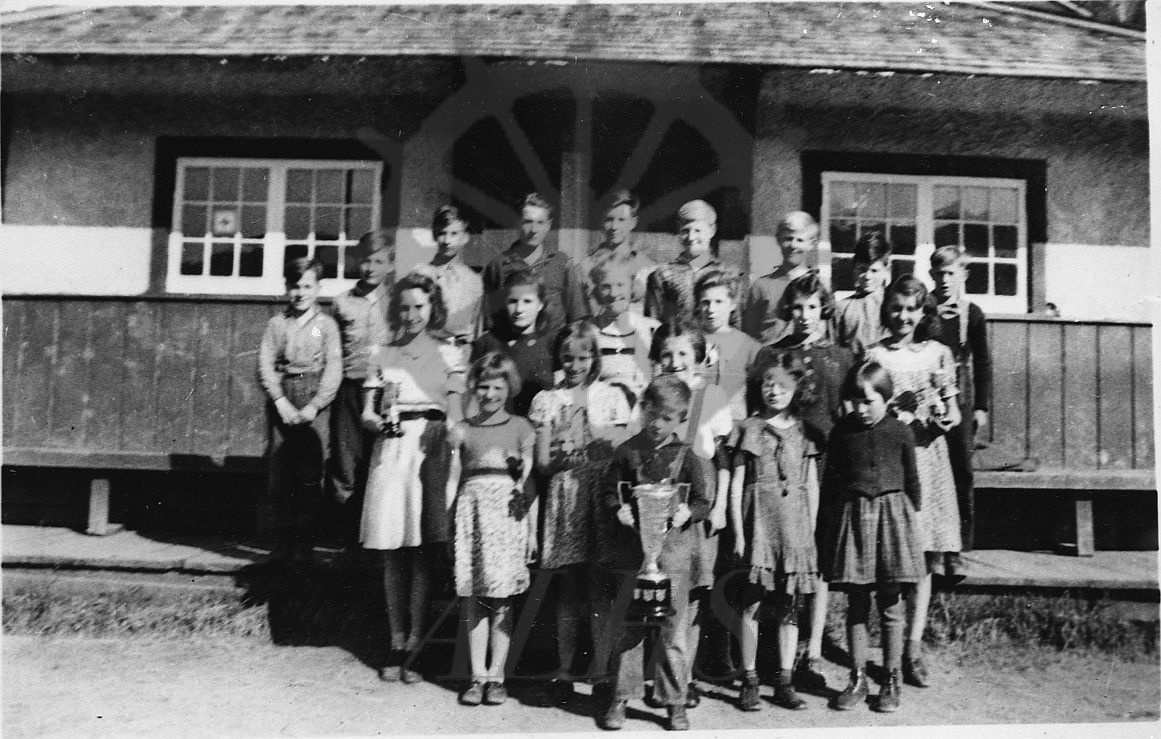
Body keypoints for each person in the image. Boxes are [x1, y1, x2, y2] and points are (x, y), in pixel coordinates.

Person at [360, 272, 465, 683]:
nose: (412, 314)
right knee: (392, 550)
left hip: (432, 449)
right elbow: (368, 412)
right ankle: (395, 638)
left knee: (421, 551)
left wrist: (453, 433)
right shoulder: (381, 353)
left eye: (419, 306)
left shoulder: (449, 353)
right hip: (394, 448)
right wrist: (377, 424)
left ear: (432, 307)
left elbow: (455, 409)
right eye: (404, 307)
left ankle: (417, 643)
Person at [596, 376, 713, 732]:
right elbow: (608, 492)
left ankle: (674, 701)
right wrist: (619, 509)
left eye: (667, 418)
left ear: (679, 420)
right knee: (629, 627)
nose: (657, 424)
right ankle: (621, 698)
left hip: (674, 555)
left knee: (672, 630)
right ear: (642, 408)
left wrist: (687, 513)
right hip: (635, 554)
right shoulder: (626, 451)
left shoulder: (686, 456)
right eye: (652, 414)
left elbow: (703, 502)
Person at [757, 271, 855, 693]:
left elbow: (847, 416)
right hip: (781, 467)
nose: (804, 316)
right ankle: (771, 652)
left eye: (812, 307)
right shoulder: (772, 354)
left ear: (825, 310)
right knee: (778, 556)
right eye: (796, 307)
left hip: (826, 468)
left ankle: (811, 651)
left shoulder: (841, 356)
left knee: (816, 560)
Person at [528, 321, 634, 704]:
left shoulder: (612, 397)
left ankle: (603, 668)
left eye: (583, 357)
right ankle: (564, 666)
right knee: (569, 588)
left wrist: (596, 443)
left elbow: (624, 455)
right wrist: (562, 453)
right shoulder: (547, 400)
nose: (574, 365)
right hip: (566, 496)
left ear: (595, 358)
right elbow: (541, 464)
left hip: (601, 498)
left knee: (600, 585)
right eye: (567, 357)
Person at [865, 275, 962, 689]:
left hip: (927, 459)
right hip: (889, 463)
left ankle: (912, 648)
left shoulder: (939, 354)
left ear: (923, 313)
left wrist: (941, 415)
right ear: (886, 311)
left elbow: (953, 412)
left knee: (922, 558)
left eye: (911, 309)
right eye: (896, 309)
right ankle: (885, 647)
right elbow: (865, 409)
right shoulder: (873, 354)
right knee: (890, 556)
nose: (903, 317)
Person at [820, 361, 925, 714]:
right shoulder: (841, 433)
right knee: (857, 601)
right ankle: (858, 677)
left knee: (891, 602)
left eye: (869, 401)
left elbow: (913, 484)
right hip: (852, 519)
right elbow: (830, 485)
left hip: (892, 521)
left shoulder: (900, 432)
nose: (861, 409)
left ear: (887, 397)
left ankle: (892, 677)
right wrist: (829, 529)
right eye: (855, 401)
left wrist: (907, 526)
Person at [728, 352, 821, 712]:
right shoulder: (747, 428)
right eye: (768, 383)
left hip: (794, 531)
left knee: (788, 608)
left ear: (796, 388)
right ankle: (749, 680)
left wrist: (808, 534)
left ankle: (784, 680)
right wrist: (739, 532)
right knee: (751, 604)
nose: (774, 390)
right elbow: (737, 485)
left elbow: (810, 486)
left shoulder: (804, 433)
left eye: (782, 384)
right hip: (759, 529)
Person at [650, 320, 733, 708]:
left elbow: (724, 458)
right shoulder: (652, 397)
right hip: (661, 506)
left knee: (694, 592)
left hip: (700, 505)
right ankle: (659, 674)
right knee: (660, 591)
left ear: (699, 359)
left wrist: (719, 508)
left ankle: (684, 677)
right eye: (667, 353)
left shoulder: (712, 397)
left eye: (683, 353)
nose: (674, 360)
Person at [450, 351, 536, 707]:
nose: (489, 394)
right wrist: (449, 517)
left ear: (509, 387)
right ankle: (477, 676)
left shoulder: (521, 428)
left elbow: (527, 485)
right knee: (474, 597)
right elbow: (453, 479)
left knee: (501, 598)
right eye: (483, 386)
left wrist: (531, 531)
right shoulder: (463, 429)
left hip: (507, 517)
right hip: (471, 515)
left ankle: (497, 676)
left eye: (497, 386)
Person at [258, 257, 343, 562]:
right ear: (286, 288)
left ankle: (306, 545)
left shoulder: (327, 325)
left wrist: (315, 406)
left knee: (311, 474)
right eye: (295, 286)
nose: (300, 292)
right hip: (284, 394)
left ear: (319, 288)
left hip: (314, 398)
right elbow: (265, 364)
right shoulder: (276, 324)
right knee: (280, 475)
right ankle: (281, 544)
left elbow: (334, 368)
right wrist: (279, 400)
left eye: (307, 286)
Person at [920, 245, 991, 552]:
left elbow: (984, 362)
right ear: (931, 275)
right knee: (928, 463)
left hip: (960, 394)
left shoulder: (972, 313)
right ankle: (928, 540)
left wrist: (981, 407)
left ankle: (960, 545)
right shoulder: (923, 308)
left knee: (961, 467)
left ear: (964, 274)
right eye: (939, 273)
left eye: (951, 273)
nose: (945, 280)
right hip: (927, 392)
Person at [329, 231, 393, 551]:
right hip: (350, 389)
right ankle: (346, 544)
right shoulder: (341, 303)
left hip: (386, 393)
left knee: (379, 465)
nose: (370, 268)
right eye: (365, 260)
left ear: (390, 265)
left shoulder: (398, 302)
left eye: (379, 261)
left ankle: (375, 542)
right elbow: (331, 350)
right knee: (345, 464)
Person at [482, 192, 586, 334]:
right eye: (527, 222)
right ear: (517, 223)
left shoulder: (561, 262)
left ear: (548, 225)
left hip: (551, 349)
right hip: (511, 347)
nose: (534, 230)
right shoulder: (498, 265)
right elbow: (488, 320)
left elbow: (577, 316)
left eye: (540, 222)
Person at [472, 269, 557, 419]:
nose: (519, 310)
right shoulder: (488, 342)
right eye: (512, 301)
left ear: (540, 304)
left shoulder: (552, 344)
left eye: (527, 301)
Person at [645, 199, 737, 326]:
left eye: (697, 230)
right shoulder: (663, 275)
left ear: (712, 230)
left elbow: (735, 324)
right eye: (685, 231)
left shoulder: (728, 274)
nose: (691, 237)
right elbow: (651, 323)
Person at [410, 205, 484, 346]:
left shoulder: (474, 280)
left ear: (465, 237)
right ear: (434, 235)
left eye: (454, 234)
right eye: (442, 233)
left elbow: (476, 327)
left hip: (461, 350)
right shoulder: (421, 273)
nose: (447, 241)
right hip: (428, 348)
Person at [741, 211, 818, 344]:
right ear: (778, 239)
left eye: (800, 240)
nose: (793, 245)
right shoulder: (761, 286)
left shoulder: (818, 286)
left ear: (812, 243)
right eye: (788, 239)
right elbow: (748, 337)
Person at [591, 261, 659, 408]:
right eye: (606, 286)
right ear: (597, 291)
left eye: (620, 285)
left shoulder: (652, 329)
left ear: (631, 287)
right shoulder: (588, 332)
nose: (614, 293)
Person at [578, 190, 658, 317]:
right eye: (609, 219)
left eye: (621, 220)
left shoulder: (646, 266)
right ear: (601, 222)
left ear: (633, 222)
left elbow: (655, 312)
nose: (614, 226)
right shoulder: (587, 266)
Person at [696, 269, 760, 423]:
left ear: (732, 304)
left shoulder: (751, 347)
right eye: (705, 302)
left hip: (734, 425)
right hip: (695, 424)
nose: (711, 310)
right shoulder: (689, 340)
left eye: (719, 302)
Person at [833, 231, 892, 358]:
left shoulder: (893, 305)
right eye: (862, 270)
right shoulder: (842, 308)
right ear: (854, 269)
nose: (868, 276)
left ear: (886, 270)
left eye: (874, 270)